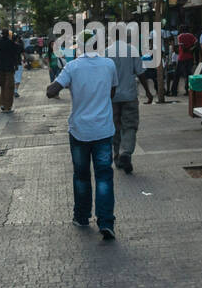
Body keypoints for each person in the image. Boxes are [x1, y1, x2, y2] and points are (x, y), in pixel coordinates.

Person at [47, 35, 119, 240]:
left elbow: (51, 92)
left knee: (81, 175)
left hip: (79, 130)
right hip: (103, 130)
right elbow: (112, 93)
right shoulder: (109, 65)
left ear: (80, 46)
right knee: (104, 176)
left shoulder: (72, 67)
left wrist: (56, 83)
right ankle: (106, 221)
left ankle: (82, 216)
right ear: (99, 45)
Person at [108, 35, 146, 174]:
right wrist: (148, 91)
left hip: (112, 97)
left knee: (115, 126)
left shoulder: (106, 52)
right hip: (129, 95)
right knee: (129, 126)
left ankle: (117, 157)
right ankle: (126, 152)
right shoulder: (132, 50)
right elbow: (141, 73)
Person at [0, 28, 23, 113]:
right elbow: (18, 51)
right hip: (10, 68)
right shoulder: (11, 43)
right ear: (8, 35)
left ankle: (2, 104)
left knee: (3, 86)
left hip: (1, 68)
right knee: (10, 87)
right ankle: (8, 106)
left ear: (1, 34)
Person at [175, 26, 198, 95]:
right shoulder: (191, 35)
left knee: (177, 74)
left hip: (182, 58)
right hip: (190, 57)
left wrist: (185, 49)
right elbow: (196, 43)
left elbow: (182, 47)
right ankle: (188, 89)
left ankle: (174, 90)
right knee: (189, 74)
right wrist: (191, 48)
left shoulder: (180, 36)